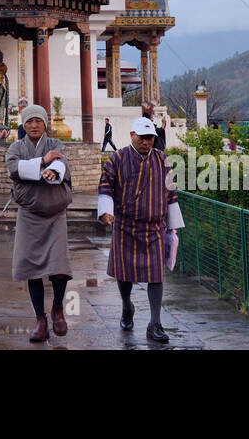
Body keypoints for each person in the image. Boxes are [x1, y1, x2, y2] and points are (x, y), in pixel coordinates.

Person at [98, 117, 184, 342]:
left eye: (150, 138)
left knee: (156, 275)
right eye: (142, 138)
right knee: (124, 272)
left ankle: (155, 323)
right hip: (125, 225)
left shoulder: (162, 160)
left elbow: (171, 192)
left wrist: (173, 227)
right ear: (132, 135)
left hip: (154, 226)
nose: (146, 142)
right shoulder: (117, 158)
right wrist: (106, 211)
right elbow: (106, 185)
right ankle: (127, 306)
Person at [5, 104, 73, 342]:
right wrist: (43, 161)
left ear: (45, 124)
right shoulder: (16, 148)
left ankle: (57, 307)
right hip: (29, 215)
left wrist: (54, 170)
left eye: (38, 121)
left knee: (59, 267)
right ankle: (40, 319)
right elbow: (14, 169)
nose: (34, 126)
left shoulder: (56, 144)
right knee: (31, 270)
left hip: (55, 215)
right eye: (29, 121)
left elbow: (62, 163)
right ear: (23, 125)